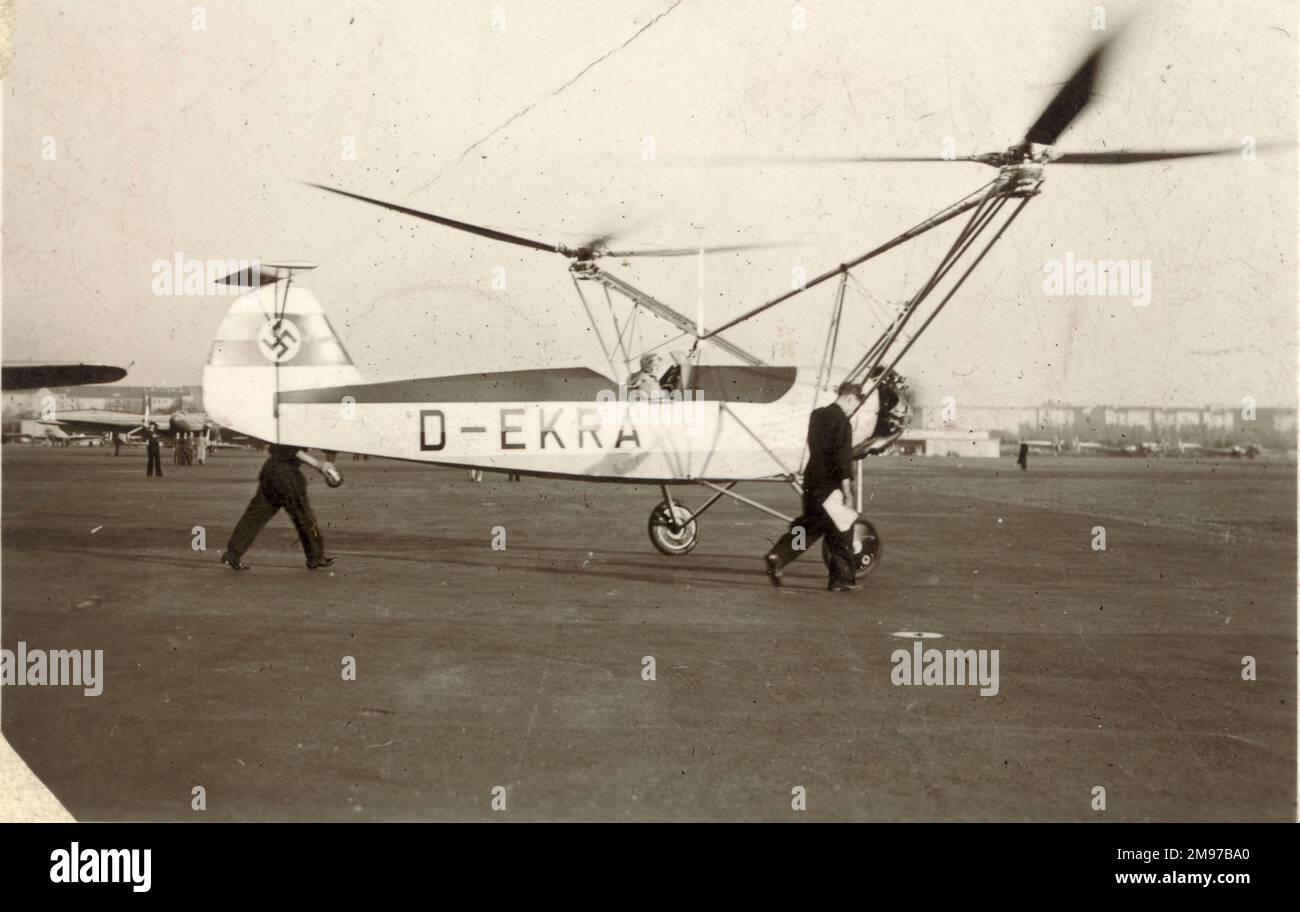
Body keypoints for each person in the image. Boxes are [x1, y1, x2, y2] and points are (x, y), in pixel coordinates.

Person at [764, 381, 863, 592]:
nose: (852, 410)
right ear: (849, 398)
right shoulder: (843, 423)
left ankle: (779, 555)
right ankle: (841, 579)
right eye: (853, 405)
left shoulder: (816, 416)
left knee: (810, 527)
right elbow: (842, 459)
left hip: (812, 481)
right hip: (831, 485)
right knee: (843, 529)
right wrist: (847, 491)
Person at [220, 444, 339, 571]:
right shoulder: (293, 427)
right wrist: (319, 464)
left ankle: (232, 553)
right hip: (287, 476)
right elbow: (291, 449)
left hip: (271, 472)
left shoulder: (282, 427)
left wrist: (327, 463)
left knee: (255, 516)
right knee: (304, 516)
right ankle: (315, 556)